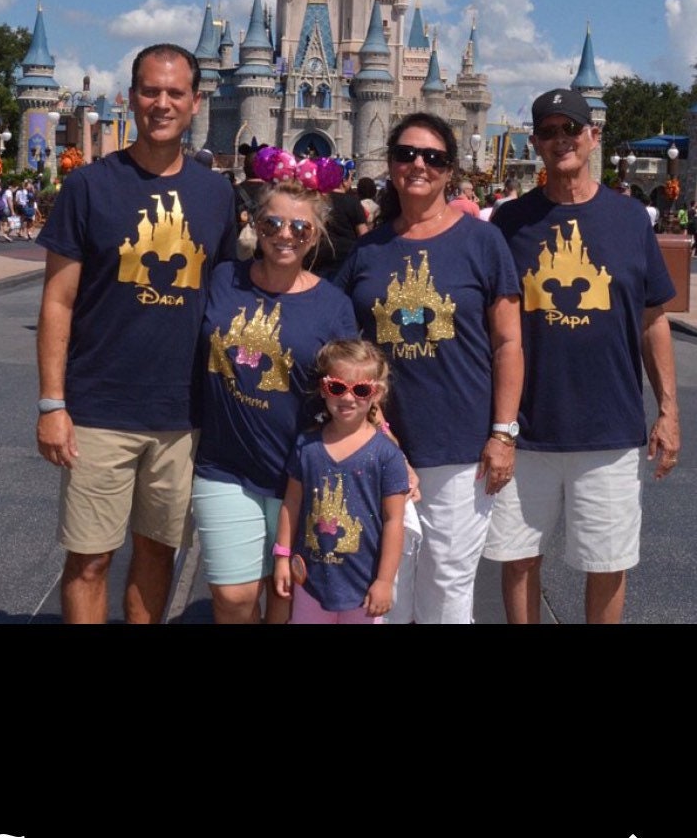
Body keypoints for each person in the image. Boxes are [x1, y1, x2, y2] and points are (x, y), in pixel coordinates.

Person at [35, 43, 237, 624]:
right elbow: (58, 300)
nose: (162, 103)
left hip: (181, 413)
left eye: (176, 92)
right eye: (151, 91)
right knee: (91, 560)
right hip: (99, 408)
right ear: (131, 97)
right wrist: (53, 402)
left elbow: (225, 296)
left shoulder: (216, 194)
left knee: (157, 553)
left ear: (196, 101)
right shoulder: (90, 187)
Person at [484, 88, 681, 624]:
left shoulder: (629, 219)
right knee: (518, 557)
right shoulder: (509, 222)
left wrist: (668, 411)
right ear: (536, 142)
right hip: (527, 428)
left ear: (593, 136)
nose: (560, 140)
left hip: (609, 429)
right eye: (547, 132)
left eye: (570, 129)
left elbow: (653, 319)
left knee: (608, 562)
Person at [335, 111, 523, 624]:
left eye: (433, 157)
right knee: (383, 584)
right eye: (406, 154)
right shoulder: (369, 249)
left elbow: (508, 341)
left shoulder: (482, 242)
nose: (418, 164)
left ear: (449, 170)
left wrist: (503, 433)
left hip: (458, 446)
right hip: (379, 442)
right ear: (392, 164)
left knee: (446, 583)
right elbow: (338, 338)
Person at [192, 150, 360, 624]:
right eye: (273, 224)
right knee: (234, 598)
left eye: (299, 228)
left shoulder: (333, 305)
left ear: (317, 234)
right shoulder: (224, 280)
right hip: (225, 466)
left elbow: (351, 387)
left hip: (300, 475)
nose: (285, 235)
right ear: (256, 225)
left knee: (284, 600)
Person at [273, 338, 409, 624]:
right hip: (310, 582)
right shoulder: (306, 446)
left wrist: (385, 581)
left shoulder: (387, 455)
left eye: (360, 390)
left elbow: (394, 520)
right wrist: (282, 556)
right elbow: (292, 503)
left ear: (377, 393)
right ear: (324, 388)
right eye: (337, 387)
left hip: (364, 587)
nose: (347, 398)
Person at [308, 158, 368, 278]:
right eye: (351, 177)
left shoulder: (317, 200)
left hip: (318, 260)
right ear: (343, 180)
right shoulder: (353, 202)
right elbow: (364, 235)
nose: (351, 182)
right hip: (346, 261)